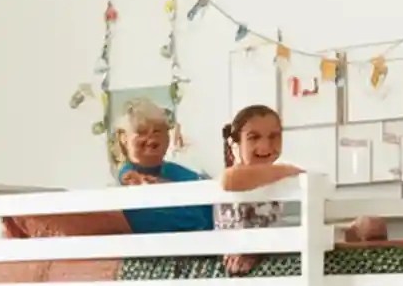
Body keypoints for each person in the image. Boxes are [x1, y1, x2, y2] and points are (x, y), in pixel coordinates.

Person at [215, 105, 303, 275]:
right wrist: (288, 171)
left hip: (272, 246)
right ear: (236, 144)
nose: (265, 146)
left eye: (274, 136)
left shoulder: (280, 180)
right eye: (253, 137)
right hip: (242, 252)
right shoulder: (236, 175)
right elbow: (228, 180)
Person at [112, 99, 214, 233]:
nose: (151, 138)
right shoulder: (121, 182)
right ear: (124, 138)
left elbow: (209, 217)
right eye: (141, 132)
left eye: (157, 131)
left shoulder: (187, 175)